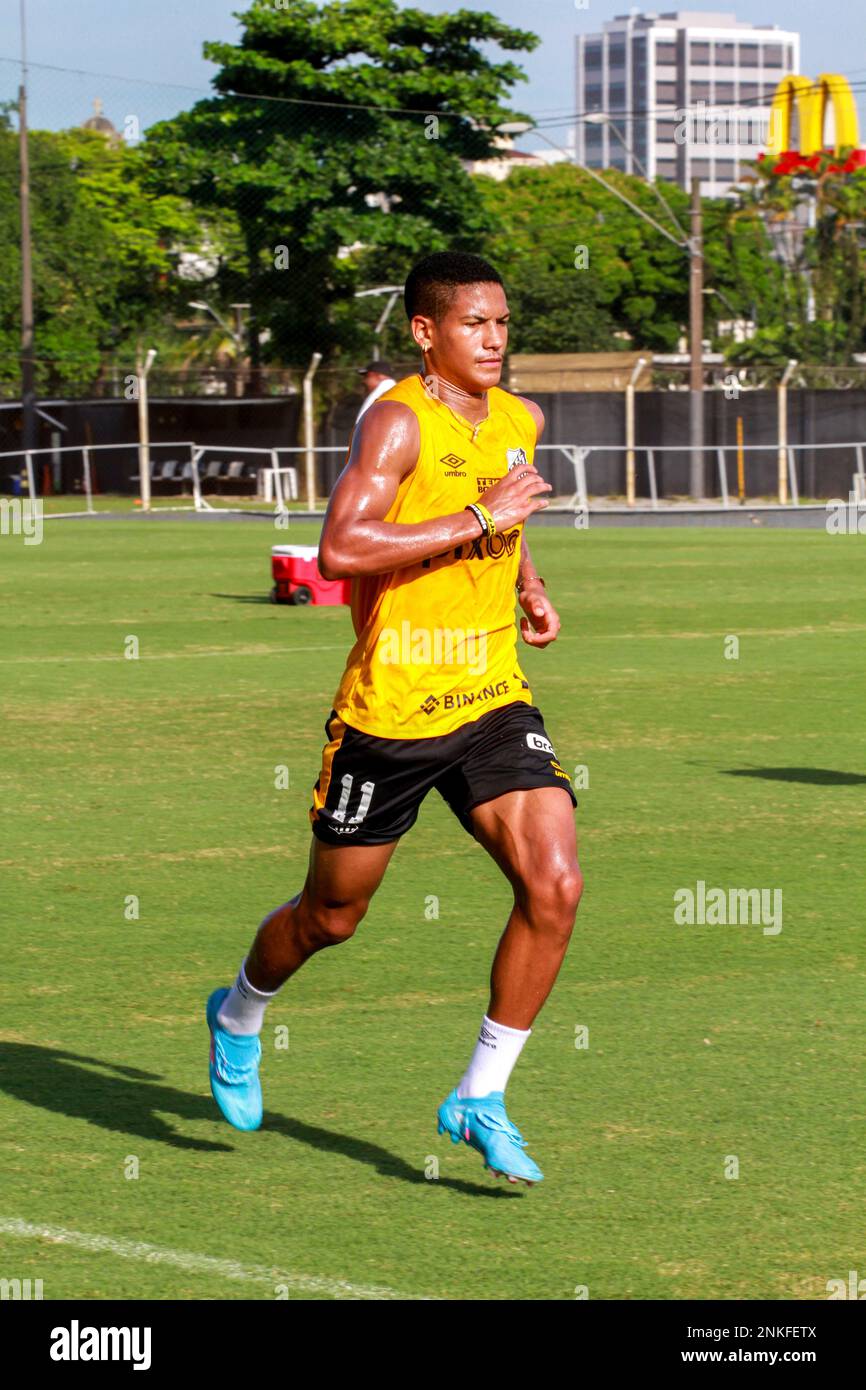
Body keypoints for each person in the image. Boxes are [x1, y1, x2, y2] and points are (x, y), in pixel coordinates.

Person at [207, 251, 583, 1186]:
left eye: (502, 322)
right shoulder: (396, 424)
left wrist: (528, 584)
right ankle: (240, 1011)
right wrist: (483, 524)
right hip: (393, 709)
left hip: (491, 694)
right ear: (426, 332)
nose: (494, 340)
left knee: (556, 884)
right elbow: (340, 550)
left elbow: (509, 520)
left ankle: (480, 1095)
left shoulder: (519, 419)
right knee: (332, 917)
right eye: (474, 324)